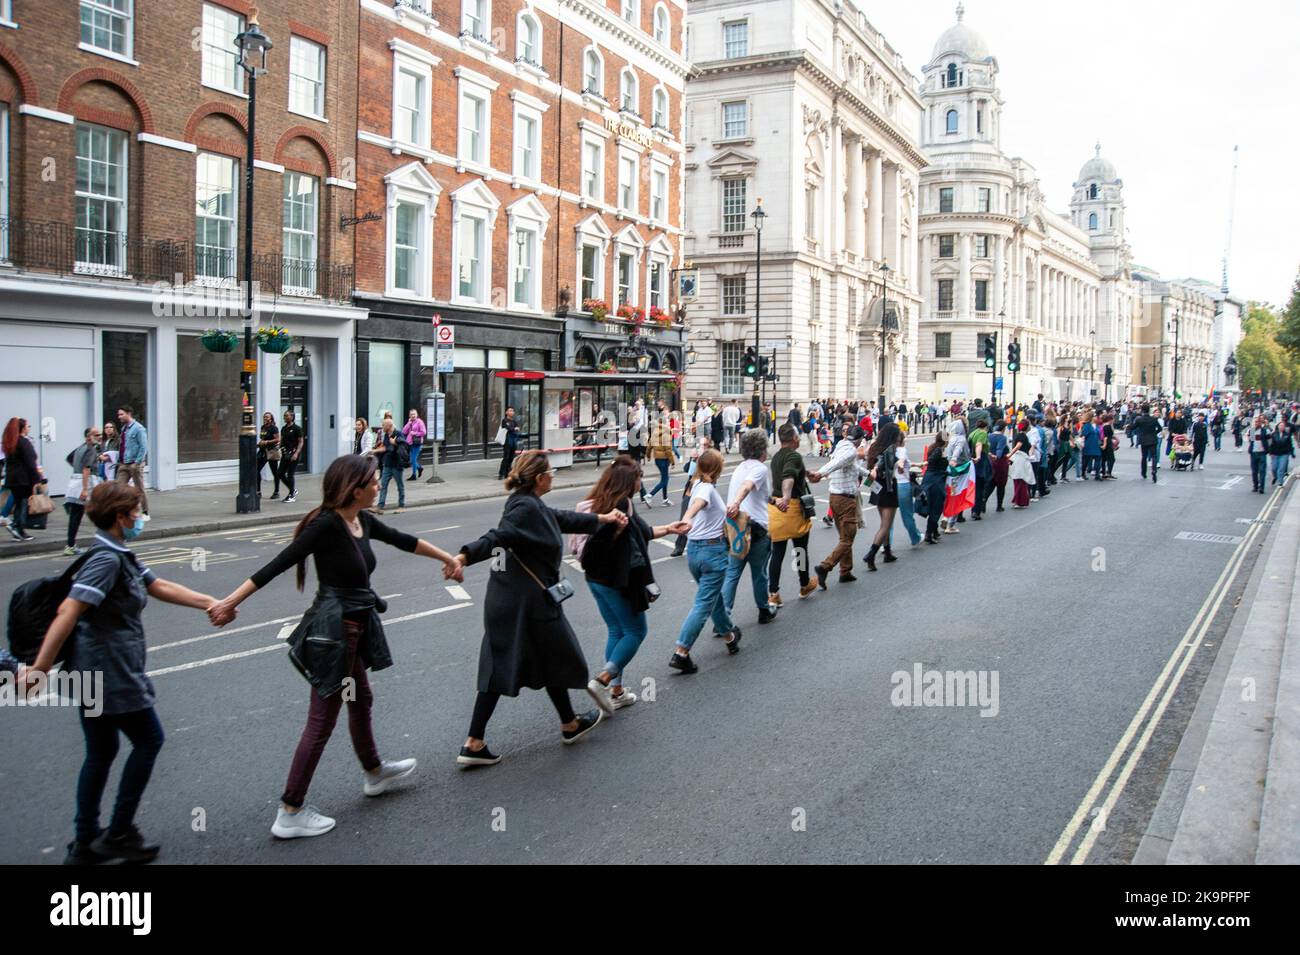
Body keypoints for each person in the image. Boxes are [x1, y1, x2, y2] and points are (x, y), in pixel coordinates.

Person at [206, 455, 463, 835]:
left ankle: (374, 772)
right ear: (355, 489)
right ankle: (290, 810)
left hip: (354, 629)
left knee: (361, 699)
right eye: (373, 482)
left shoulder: (362, 521)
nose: (379, 486)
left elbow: (405, 541)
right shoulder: (327, 525)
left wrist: (448, 558)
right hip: (334, 635)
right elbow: (278, 564)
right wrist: (230, 602)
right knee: (322, 719)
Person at [19, 483, 220, 863]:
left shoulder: (117, 552)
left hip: (95, 671)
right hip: (108, 673)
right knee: (149, 740)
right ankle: (118, 832)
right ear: (119, 517)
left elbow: (157, 585)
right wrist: (40, 669)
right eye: (136, 512)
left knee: (101, 751)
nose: (140, 518)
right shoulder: (106, 560)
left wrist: (209, 601)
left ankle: (84, 843)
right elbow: (69, 610)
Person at [451, 451, 625, 765]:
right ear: (540, 477)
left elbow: (562, 519)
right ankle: (565, 724)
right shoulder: (523, 508)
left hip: (511, 600)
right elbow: (497, 537)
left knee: (526, 662)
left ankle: (477, 741)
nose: (554, 476)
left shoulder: (530, 504)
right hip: (527, 603)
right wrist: (464, 556)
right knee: (558, 655)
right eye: (550, 472)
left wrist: (604, 519)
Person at [578, 457, 689, 712]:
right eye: (639, 477)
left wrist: (670, 529)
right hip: (617, 580)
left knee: (616, 631)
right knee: (636, 631)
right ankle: (603, 680)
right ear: (630, 482)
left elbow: (643, 531)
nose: (642, 481)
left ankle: (616, 691)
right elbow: (636, 535)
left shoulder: (604, 500)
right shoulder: (622, 504)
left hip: (595, 579)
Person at [671, 448, 742, 671]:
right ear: (717, 468)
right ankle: (681, 652)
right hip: (712, 552)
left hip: (694, 551)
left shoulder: (698, 485)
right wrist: (686, 517)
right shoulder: (707, 489)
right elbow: (698, 504)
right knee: (704, 602)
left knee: (713, 598)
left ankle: (730, 636)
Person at [722, 428, 778, 624]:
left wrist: (773, 501)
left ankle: (724, 616)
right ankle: (764, 610)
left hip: (737, 525)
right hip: (756, 527)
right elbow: (747, 486)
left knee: (732, 572)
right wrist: (736, 502)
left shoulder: (740, 467)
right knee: (759, 572)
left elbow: (760, 495)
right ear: (762, 449)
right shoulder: (760, 469)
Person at [808, 425, 871, 587]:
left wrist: (869, 474)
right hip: (845, 499)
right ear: (858, 440)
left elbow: (852, 467)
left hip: (834, 497)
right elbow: (837, 463)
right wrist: (820, 473)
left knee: (844, 537)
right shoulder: (850, 451)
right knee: (848, 538)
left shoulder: (841, 446)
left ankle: (845, 571)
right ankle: (825, 566)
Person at [767, 424, 818, 604]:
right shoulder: (794, 455)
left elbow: (789, 473)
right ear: (794, 439)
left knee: (777, 553)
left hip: (775, 511)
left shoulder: (776, 456)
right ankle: (804, 585)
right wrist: (787, 497)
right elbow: (788, 476)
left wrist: (807, 473)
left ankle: (773, 594)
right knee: (800, 550)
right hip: (792, 508)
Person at [862, 423, 901, 570]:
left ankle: (888, 552)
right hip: (888, 488)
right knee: (886, 525)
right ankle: (871, 554)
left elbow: (873, 465)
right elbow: (881, 463)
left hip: (876, 487)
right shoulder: (889, 450)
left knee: (884, 523)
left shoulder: (874, 446)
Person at [64, 427, 102, 556]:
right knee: (99, 513)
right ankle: (104, 542)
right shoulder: (91, 450)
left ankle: (70, 545)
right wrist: (85, 489)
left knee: (75, 516)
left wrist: (77, 468)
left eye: (99, 434)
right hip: (85, 484)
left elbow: (69, 458)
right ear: (88, 437)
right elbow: (86, 469)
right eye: (96, 435)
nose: (99, 436)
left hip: (75, 483)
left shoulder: (80, 448)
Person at [3, 417, 42, 542]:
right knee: (23, 503)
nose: (28, 428)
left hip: (12, 478)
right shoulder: (24, 442)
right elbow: (31, 463)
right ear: (22, 428)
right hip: (23, 478)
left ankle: (17, 529)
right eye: (27, 426)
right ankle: (17, 526)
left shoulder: (10, 442)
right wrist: (37, 479)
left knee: (19, 502)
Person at [942, 418, 976, 532]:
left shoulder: (952, 439)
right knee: (959, 495)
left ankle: (946, 517)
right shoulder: (961, 439)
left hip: (951, 470)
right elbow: (958, 449)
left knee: (950, 494)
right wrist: (954, 458)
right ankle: (951, 524)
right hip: (962, 470)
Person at [115, 406, 149, 516]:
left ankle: (145, 512)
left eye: (121, 414)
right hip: (124, 463)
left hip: (134, 463)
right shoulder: (124, 428)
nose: (119, 417)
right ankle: (123, 510)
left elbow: (143, 447)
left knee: (139, 489)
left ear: (129, 414)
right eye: (118, 414)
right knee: (119, 488)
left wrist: (137, 463)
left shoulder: (139, 428)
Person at [374, 416, 408, 512]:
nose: (382, 426)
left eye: (383, 425)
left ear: (389, 426)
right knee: (383, 485)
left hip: (397, 464)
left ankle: (401, 506)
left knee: (399, 485)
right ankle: (380, 506)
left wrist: (395, 443)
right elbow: (385, 447)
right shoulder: (386, 435)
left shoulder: (398, 433)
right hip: (388, 464)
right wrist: (374, 451)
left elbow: (404, 445)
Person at [644, 412, 677, 506]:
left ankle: (665, 499)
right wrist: (673, 462)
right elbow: (668, 450)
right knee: (665, 480)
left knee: (664, 478)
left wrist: (648, 456)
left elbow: (649, 445)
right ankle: (650, 495)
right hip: (664, 459)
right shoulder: (666, 433)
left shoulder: (655, 431)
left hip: (657, 459)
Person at [921, 431, 948, 543]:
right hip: (936, 480)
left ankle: (934, 531)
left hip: (929, 478)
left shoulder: (933, 447)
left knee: (931, 505)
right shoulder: (938, 450)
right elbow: (931, 461)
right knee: (936, 507)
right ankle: (929, 533)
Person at [1132, 403, 1163, 483]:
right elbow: (1159, 428)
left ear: (1142, 410)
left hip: (1143, 440)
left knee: (1144, 456)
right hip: (1153, 439)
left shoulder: (1139, 419)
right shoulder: (1153, 419)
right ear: (1149, 410)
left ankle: (1144, 472)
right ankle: (1154, 470)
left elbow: (1133, 427)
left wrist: (1128, 427)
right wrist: (1154, 433)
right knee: (1154, 456)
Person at [279, 410, 304, 504]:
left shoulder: (297, 428)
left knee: (290, 474)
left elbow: (301, 441)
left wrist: (296, 453)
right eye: (284, 416)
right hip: (285, 454)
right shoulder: (283, 428)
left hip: (294, 454)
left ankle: (292, 495)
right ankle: (292, 489)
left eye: (287, 416)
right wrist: (280, 446)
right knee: (280, 473)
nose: (285, 417)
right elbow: (282, 440)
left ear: (292, 417)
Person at [987, 420, 1010, 512]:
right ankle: (999, 505)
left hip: (990, 462)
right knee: (1001, 485)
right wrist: (997, 456)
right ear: (1004, 428)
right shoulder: (1002, 438)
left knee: (990, 483)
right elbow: (1000, 450)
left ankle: (983, 500)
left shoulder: (989, 436)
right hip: (999, 463)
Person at [1008, 430, 1035, 509]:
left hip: (1019, 459)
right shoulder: (1022, 436)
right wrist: (1010, 454)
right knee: (1021, 480)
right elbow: (1018, 446)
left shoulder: (1020, 435)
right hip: (1020, 459)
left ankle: (1019, 500)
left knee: (1019, 480)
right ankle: (1019, 500)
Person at [258, 412, 281, 498]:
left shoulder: (274, 428)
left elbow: (277, 439)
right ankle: (258, 491)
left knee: (275, 472)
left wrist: (267, 442)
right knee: (256, 470)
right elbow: (263, 437)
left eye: (267, 417)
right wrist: (261, 442)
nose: (265, 418)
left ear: (271, 419)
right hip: (263, 451)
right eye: (264, 417)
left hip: (271, 451)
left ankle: (276, 492)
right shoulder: (263, 427)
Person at [1247, 413, 1270, 493]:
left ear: (1261, 423)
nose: (1257, 423)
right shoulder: (1252, 431)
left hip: (1262, 453)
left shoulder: (1265, 431)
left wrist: (1269, 450)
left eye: (1258, 422)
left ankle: (1262, 488)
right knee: (1254, 471)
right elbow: (1250, 441)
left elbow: (1268, 440)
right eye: (1255, 422)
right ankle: (1255, 486)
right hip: (1253, 453)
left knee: (1262, 471)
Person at [497, 407, 520, 480]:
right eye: (510, 411)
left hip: (513, 441)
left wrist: (513, 429)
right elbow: (509, 428)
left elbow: (517, 429)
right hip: (507, 441)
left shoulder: (514, 421)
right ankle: (501, 474)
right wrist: (514, 429)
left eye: (512, 411)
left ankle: (507, 473)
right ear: (506, 412)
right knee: (506, 457)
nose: (512, 412)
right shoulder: (504, 420)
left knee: (511, 458)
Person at [1268, 421, 1294, 487]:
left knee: (1281, 468)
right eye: (1280, 425)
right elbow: (1271, 444)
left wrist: (1291, 453)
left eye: (1283, 426)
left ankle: (1280, 482)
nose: (1281, 427)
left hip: (1284, 454)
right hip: (1275, 454)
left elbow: (1290, 444)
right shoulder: (1273, 434)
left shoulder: (1287, 435)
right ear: (1278, 427)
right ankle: (1275, 477)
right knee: (1274, 468)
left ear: (1284, 427)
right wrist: (1270, 452)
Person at [404, 409, 426, 480]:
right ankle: (419, 468)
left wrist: (415, 433)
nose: (413, 416)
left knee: (413, 460)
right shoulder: (410, 422)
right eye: (411, 414)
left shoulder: (420, 422)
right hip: (410, 443)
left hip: (417, 443)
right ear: (409, 415)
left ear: (417, 415)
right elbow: (404, 431)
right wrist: (408, 423)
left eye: (414, 414)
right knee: (411, 460)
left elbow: (423, 432)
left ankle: (414, 475)